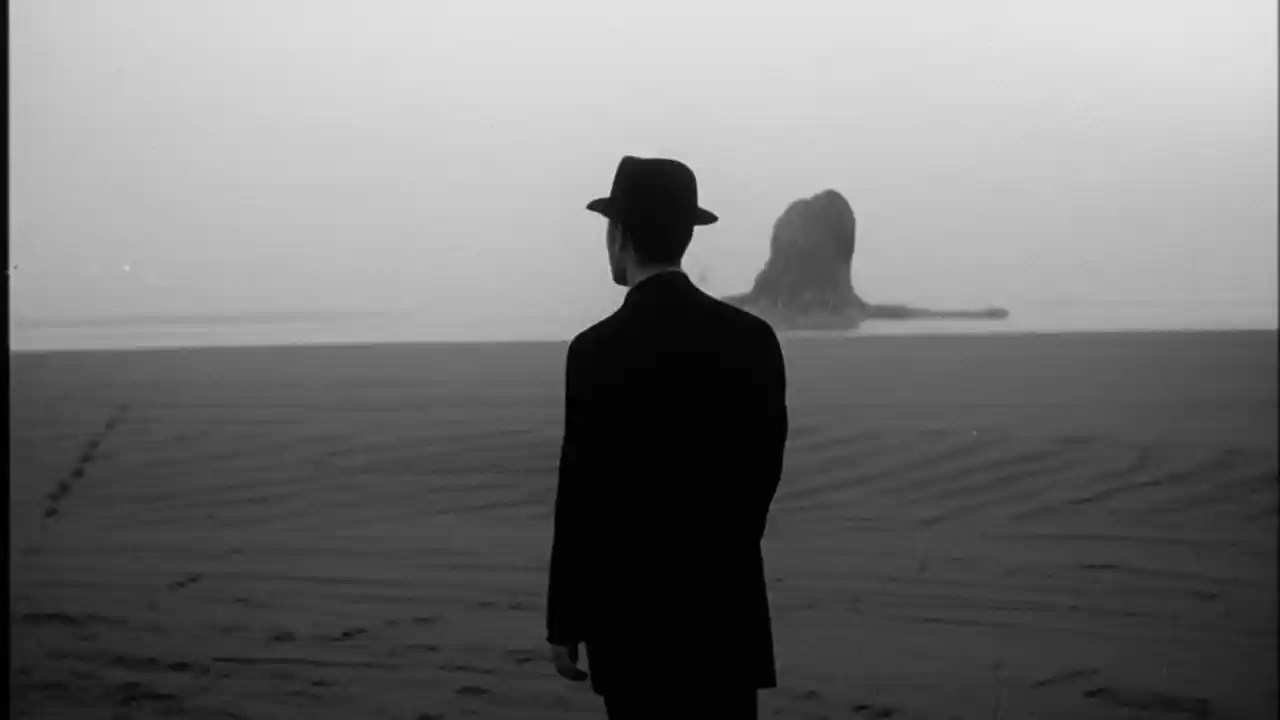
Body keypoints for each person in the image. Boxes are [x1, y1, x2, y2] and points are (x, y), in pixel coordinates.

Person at [545, 155, 789, 718]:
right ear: (686, 236)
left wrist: (566, 619)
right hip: (724, 610)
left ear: (621, 235)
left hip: (630, 622)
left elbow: (579, 493)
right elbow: (762, 474)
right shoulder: (751, 339)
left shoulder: (595, 350)